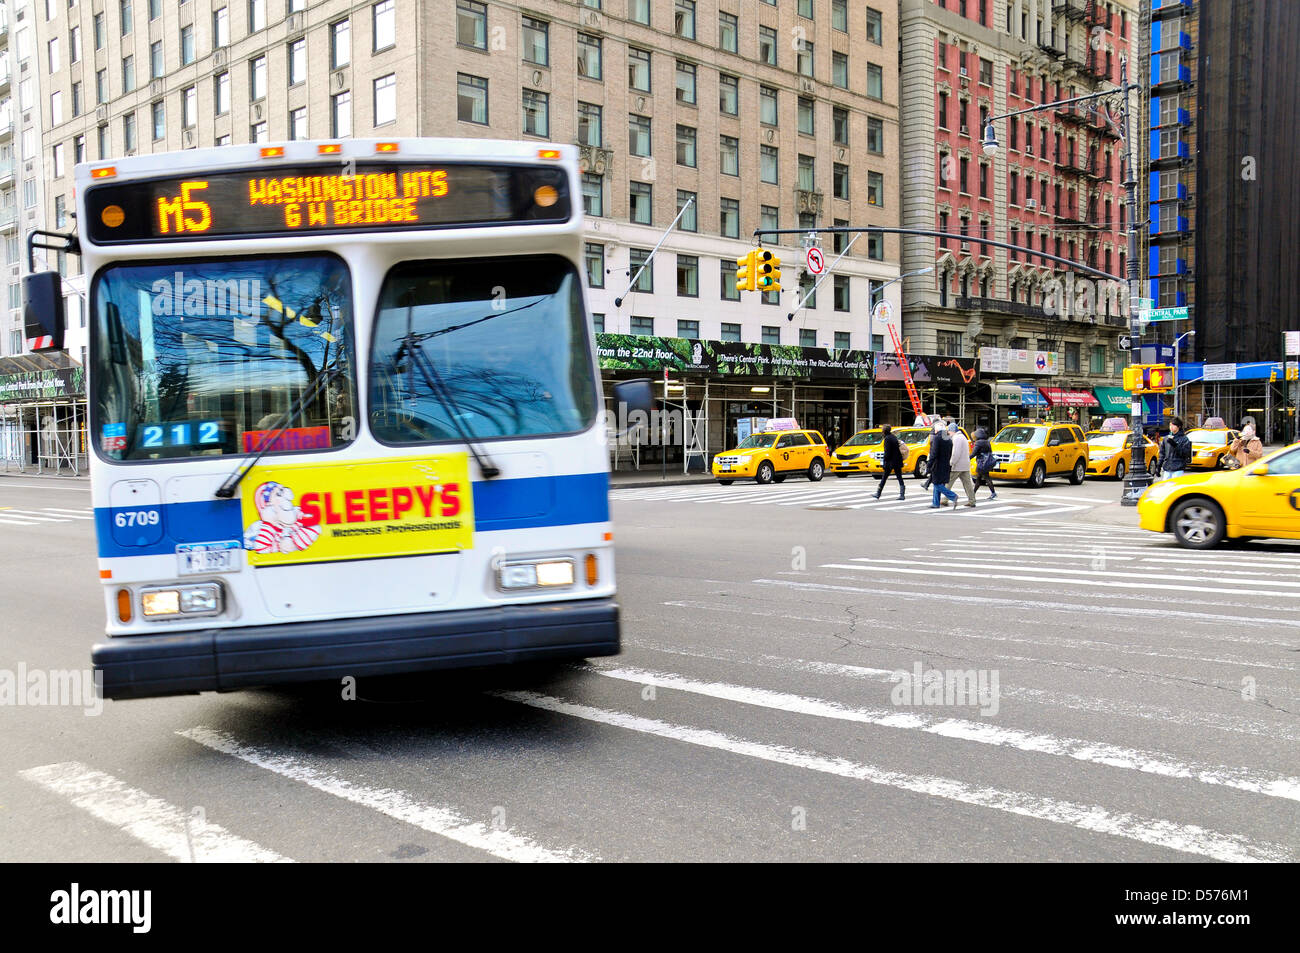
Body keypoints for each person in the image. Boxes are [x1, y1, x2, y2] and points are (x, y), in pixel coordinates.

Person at [928, 422, 958, 509]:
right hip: (946, 463)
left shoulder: (937, 438)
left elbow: (934, 453)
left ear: (937, 429)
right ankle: (935, 503)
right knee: (939, 483)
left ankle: (953, 496)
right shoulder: (948, 437)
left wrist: (929, 464)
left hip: (937, 464)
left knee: (937, 483)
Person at [875, 424, 906, 500]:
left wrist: (884, 461)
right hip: (897, 460)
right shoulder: (893, 437)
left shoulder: (887, 439)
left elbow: (887, 452)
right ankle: (902, 494)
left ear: (884, 431)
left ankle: (878, 493)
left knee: (884, 477)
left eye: (882, 429)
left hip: (890, 461)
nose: (881, 431)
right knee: (899, 477)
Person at [948, 423, 976, 507]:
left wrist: (952, 463)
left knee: (948, 483)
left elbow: (956, 453)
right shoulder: (963, 437)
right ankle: (972, 501)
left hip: (957, 466)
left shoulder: (956, 438)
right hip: (965, 465)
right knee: (968, 484)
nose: (948, 433)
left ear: (952, 431)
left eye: (949, 431)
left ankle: (945, 499)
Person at [971, 427, 998, 500]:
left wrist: (967, 458)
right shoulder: (987, 442)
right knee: (980, 479)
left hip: (981, 463)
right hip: (986, 462)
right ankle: (973, 494)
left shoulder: (978, 442)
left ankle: (993, 493)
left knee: (983, 478)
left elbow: (974, 453)